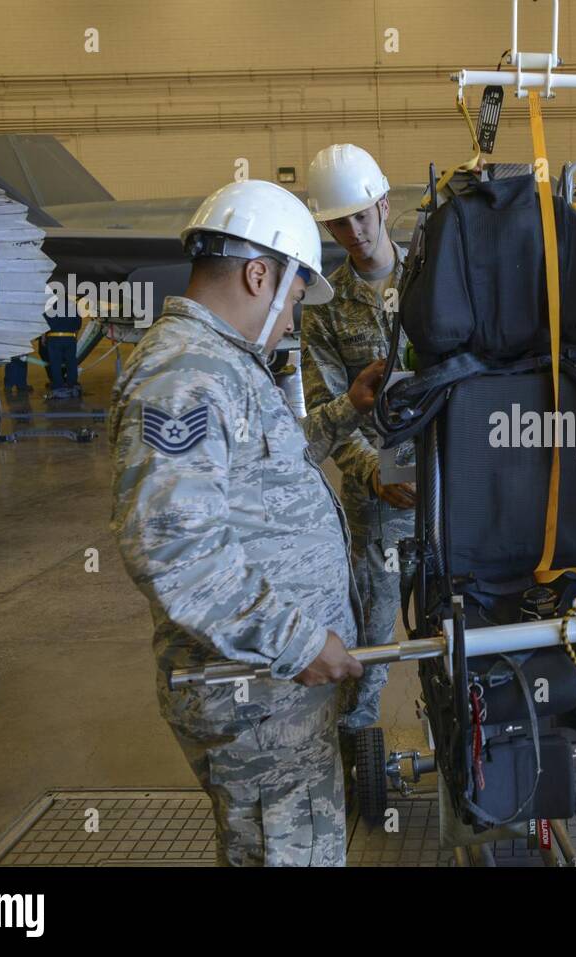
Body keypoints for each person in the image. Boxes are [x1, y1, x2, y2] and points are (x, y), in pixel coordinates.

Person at [109, 178, 386, 866]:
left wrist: (347, 408)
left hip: (277, 688)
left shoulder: (223, 363)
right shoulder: (184, 375)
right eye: (294, 298)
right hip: (257, 694)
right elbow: (174, 550)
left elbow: (269, 463)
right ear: (259, 274)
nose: (293, 318)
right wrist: (297, 640)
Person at [301, 144, 414, 754]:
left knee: (462, 622)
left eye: (361, 216)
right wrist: (372, 475)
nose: (352, 232)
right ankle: (359, 744)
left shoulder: (431, 283)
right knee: (372, 631)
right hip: (377, 502)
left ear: (383, 204)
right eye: (337, 222)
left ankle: (467, 732)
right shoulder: (323, 309)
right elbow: (327, 411)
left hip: (448, 486)